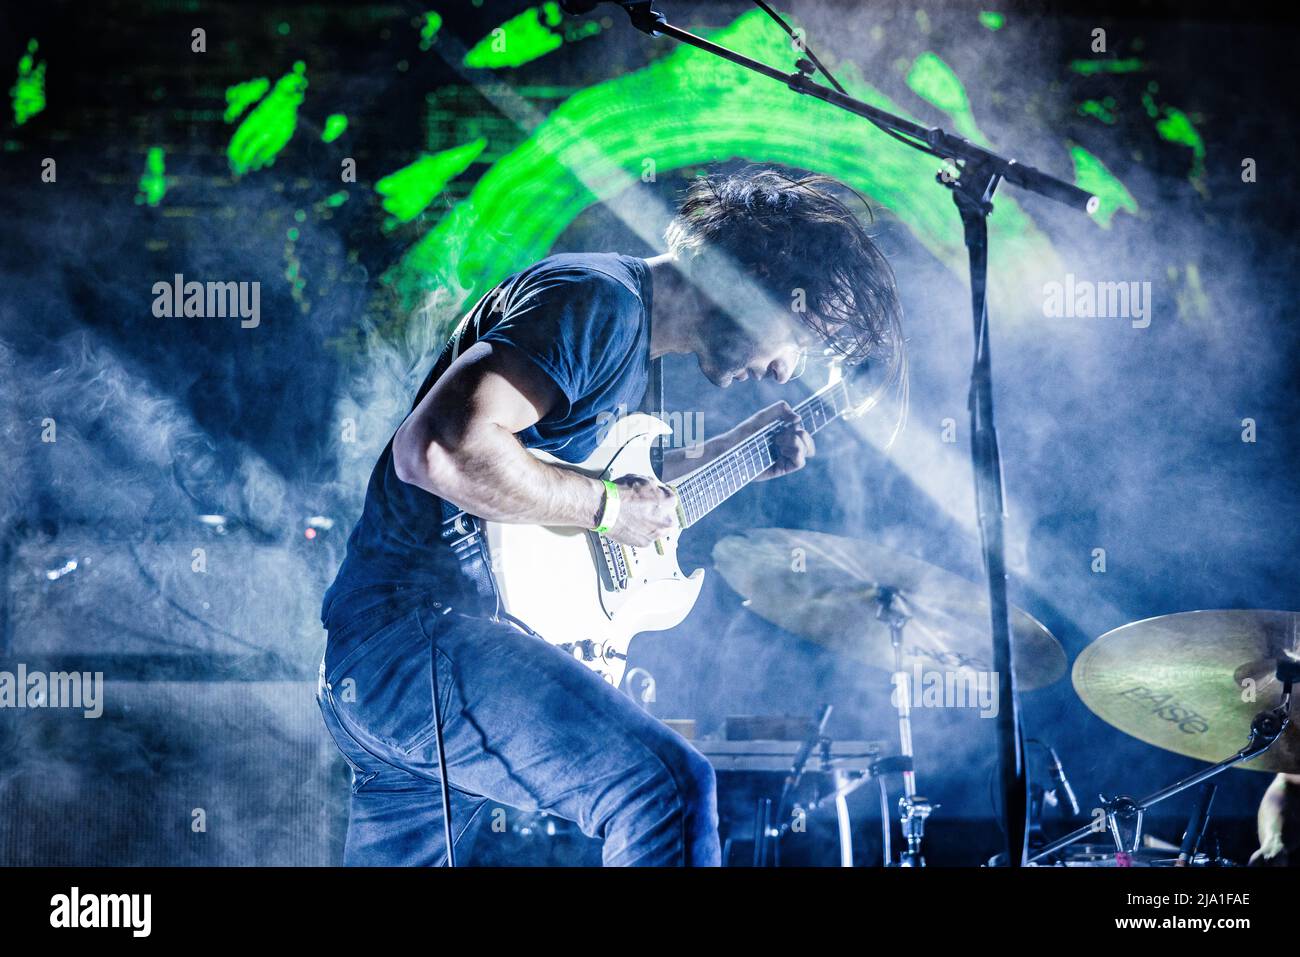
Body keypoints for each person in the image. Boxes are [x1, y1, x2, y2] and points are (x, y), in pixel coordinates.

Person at [316, 165, 905, 865]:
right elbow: (440, 449)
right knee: (670, 792)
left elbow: (570, 490)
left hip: (383, 662)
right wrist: (609, 506)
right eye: (796, 336)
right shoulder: (601, 304)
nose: (784, 370)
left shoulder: (626, 333)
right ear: (757, 275)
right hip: (419, 642)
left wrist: (732, 455)